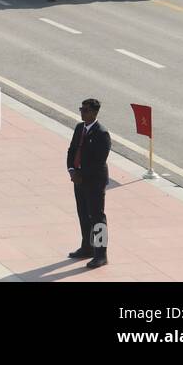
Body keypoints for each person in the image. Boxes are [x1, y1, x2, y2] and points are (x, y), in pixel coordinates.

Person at [66, 98, 110, 269]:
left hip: (94, 182)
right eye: (81, 109)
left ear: (94, 112)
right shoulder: (79, 128)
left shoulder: (101, 133)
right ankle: (87, 247)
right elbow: (71, 150)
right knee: (83, 214)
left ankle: (101, 254)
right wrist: (71, 170)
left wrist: (81, 175)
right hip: (78, 180)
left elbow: (99, 162)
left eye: (85, 110)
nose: (82, 112)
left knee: (97, 217)